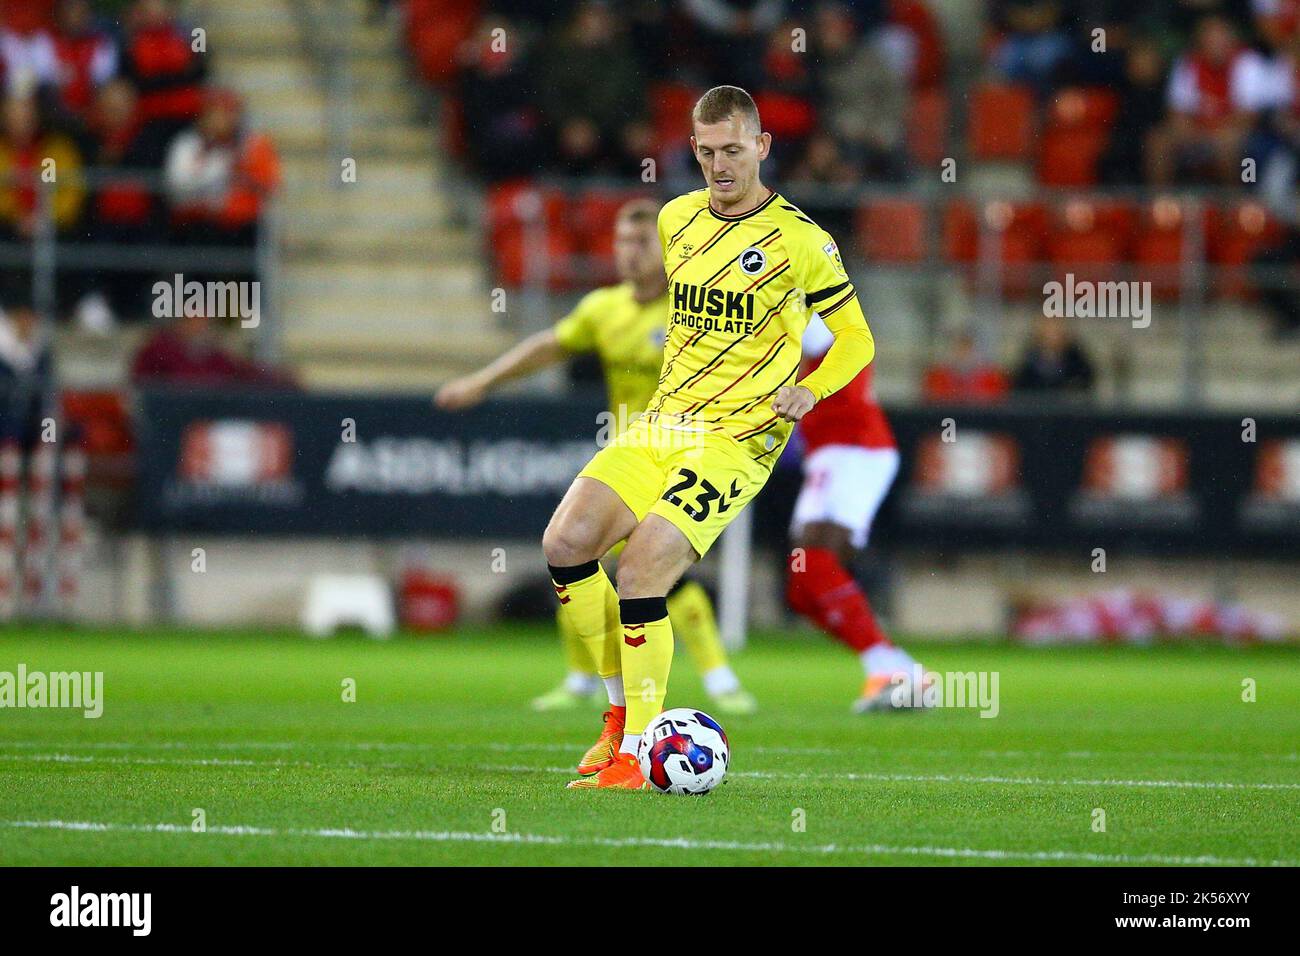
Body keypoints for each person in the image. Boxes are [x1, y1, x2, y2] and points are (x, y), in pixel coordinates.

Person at [541, 85, 875, 789]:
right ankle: (614, 717)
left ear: (762, 146)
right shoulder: (676, 219)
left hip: (737, 439)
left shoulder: (802, 240)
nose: (720, 165)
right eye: (707, 152)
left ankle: (637, 749)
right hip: (663, 421)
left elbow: (856, 340)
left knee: (641, 570)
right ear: (692, 150)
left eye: (733, 150)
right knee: (566, 545)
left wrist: (809, 390)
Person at [435, 199, 757, 716]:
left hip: (693, 454)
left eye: (642, 242)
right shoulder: (603, 308)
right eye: (623, 242)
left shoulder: (696, 307)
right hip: (629, 456)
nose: (630, 253)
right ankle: (593, 685)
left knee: (649, 575)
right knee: (576, 557)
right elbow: (548, 346)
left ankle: (714, 683)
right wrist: (481, 381)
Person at [787, 313, 925, 711]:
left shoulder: (820, 311)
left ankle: (893, 668)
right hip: (831, 455)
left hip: (854, 448)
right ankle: (890, 666)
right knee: (801, 589)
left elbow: (818, 337)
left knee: (812, 564)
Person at [1011, 314, 1095, 395]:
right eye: (1047, 329)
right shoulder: (1027, 364)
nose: (1052, 335)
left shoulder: (1078, 363)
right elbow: (1022, 392)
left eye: (1056, 329)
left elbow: (1086, 385)